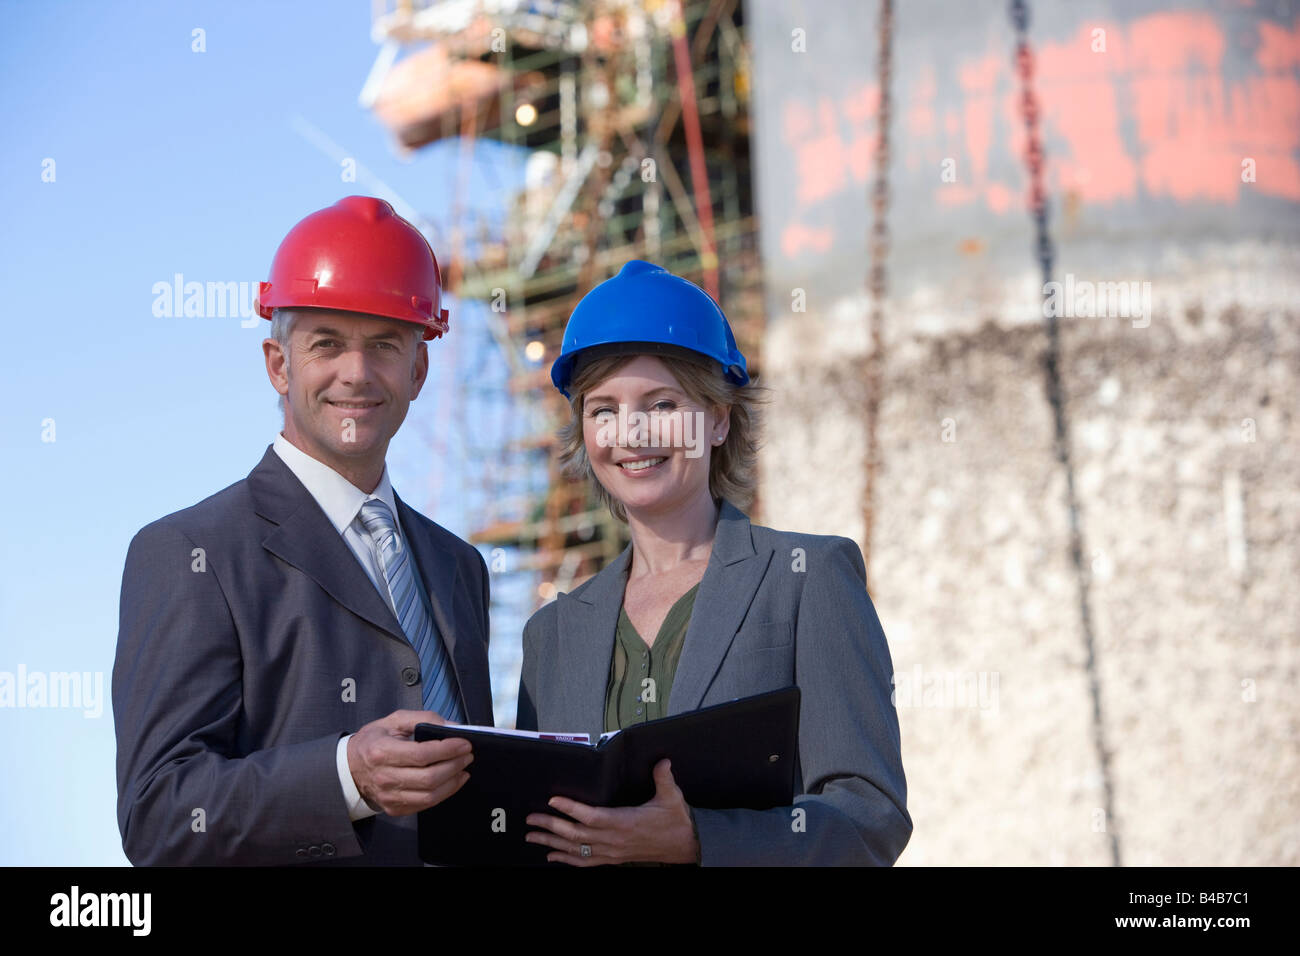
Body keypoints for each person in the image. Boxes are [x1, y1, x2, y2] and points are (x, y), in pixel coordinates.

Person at [113, 196, 492, 866]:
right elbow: (160, 814)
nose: (356, 372)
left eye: (383, 345)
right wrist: (346, 777)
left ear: (418, 369)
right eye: (327, 344)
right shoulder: (192, 553)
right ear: (278, 366)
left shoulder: (459, 567)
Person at [515, 260, 911, 866]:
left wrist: (702, 840)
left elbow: (868, 819)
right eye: (603, 409)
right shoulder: (552, 635)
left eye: (661, 402)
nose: (632, 432)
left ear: (719, 418)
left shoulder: (807, 578)